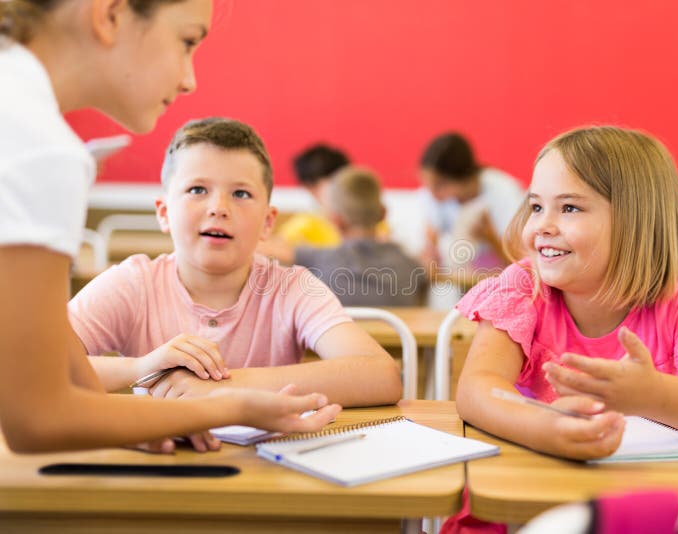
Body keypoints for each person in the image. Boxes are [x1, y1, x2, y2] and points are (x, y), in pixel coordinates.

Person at [0, 0, 339, 454]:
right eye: (186, 42)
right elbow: (38, 419)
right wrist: (229, 407)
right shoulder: (40, 147)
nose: (189, 80)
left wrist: (138, 421)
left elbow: (68, 373)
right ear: (110, 15)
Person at [443, 126, 678, 532]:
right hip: (524, 512)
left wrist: (655, 397)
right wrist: (544, 427)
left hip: (629, 513)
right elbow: (476, 390)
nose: (541, 224)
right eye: (536, 206)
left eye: (569, 208)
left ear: (636, 223)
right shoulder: (524, 290)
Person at [69, 118, 403, 430]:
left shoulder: (291, 288)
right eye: (197, 190)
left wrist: (224, 389)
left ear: (268, 223)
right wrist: (141, 367)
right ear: (164, 212)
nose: (219, 208)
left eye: (241, 194)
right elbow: (42, 368)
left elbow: (381, 375)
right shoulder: (133, 283)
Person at [292, 166, 428, 306]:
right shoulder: (410, 266)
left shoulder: (318, 259)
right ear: (383, 213)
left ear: (336, 220)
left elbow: (280, 253)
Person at [418, 132, 524, 280]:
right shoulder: (432, 197)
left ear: (462, 177)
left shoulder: (503, 192)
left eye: (439, 184)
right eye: (428, 185)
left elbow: (520, 260)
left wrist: (490, 237)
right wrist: (430, 251)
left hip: (500, 275)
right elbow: (430, 247)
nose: (433, 193)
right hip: (462, 275)